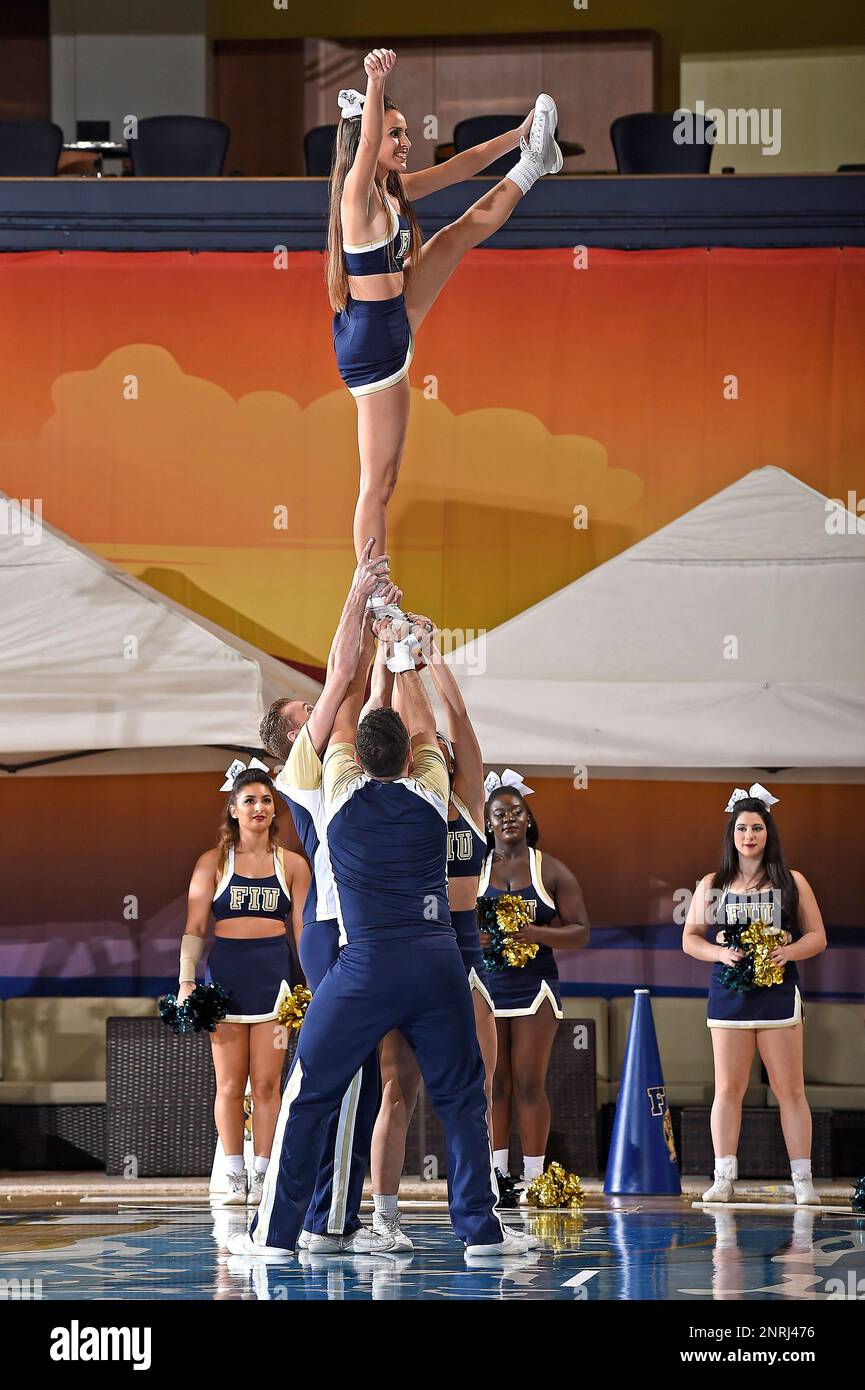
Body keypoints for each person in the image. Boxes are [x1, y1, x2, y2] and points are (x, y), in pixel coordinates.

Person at [229, 623, 538, 1260]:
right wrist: (408, 654)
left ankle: (275, 1236)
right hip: (438, 963)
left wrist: (375, 643)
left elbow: (347, 713)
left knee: (309, 1095)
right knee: (462, 1099)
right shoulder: (434, 794)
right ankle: (480, 1234)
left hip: (366, 965)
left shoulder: (335, 795)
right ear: (412, 759)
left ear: (354, 757)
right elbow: (430, 728)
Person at [328, 47, 562, 573]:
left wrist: (519, 134)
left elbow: (461, 166)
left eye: (406, 132)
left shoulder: (393, 191)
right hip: (375, 347)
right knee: (379, 483)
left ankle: (534, 162)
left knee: (456, 236)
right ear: (370, 141)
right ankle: (374, 589)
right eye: (396, 134)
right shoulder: (356, 198)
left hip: (390, 316)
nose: (405, 142)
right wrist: (375, 83)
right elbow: (367, 141)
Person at [256, 538, 403, 1252]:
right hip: (335, 927)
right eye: (309, 708)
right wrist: (357, 586)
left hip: (359, 925)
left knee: (362, 1073)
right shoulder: (304, 767)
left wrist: (386, 634)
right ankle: (322, 1219)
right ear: (296, 736)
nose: (325, 705)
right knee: (337, 1074)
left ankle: (332, 1213)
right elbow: (343, 673)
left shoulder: (348, 761)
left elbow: (367, 691)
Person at [364, 614, 496, 1250]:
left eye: (442, 746)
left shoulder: (468, 801)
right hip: (411, 946)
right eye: (426, 746)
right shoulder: (400, 802)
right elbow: (383, 731)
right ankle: (385, 1217)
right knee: (398, 1090)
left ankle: (479, 1217)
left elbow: (459, 721)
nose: (437, 747)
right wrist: (391, 661)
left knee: (475, 1091)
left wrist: (428, 656)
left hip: (464, 949)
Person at [682, 784, 827, 1207]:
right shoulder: (713, 883)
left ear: (769, 833)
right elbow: (691, 939)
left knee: (790, 1089)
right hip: (729, 996)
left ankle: (803, 1180)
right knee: (728, 1089)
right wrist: (720, 954)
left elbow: (817, 936)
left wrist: (788, 951)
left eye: (757, 828)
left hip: (778, 994)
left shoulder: (792, 881)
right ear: (731, 834)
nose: (749, 836)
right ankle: (723, 1178)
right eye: (742, 828)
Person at [178, 761, 309, 1205]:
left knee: (268, 1085)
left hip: (276, 982)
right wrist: (187, 980)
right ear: (233, 809)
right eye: (249, 800)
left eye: (267, 800)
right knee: (231, 1085)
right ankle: (235, 1174)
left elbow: (303, 931)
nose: (259, 807)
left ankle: (264, 1173)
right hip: (226, 983)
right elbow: (195, 928)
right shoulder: (212, 862)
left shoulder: (293, 865)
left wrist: (313, 983)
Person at [479, 777, 590, 1194]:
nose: (509, 819)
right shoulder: (475, 870)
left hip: (536, 986)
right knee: (494, 1083)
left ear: (528, 818)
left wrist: (537, 934)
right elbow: (450, 923)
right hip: (487, 986)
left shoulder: (551, 869)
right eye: (499, 814)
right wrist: (475, 938)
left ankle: (533, 1176)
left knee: (528, 1082)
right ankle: (496, 1174)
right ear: (488, 823)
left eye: (516, 812)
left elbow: (580, 932)